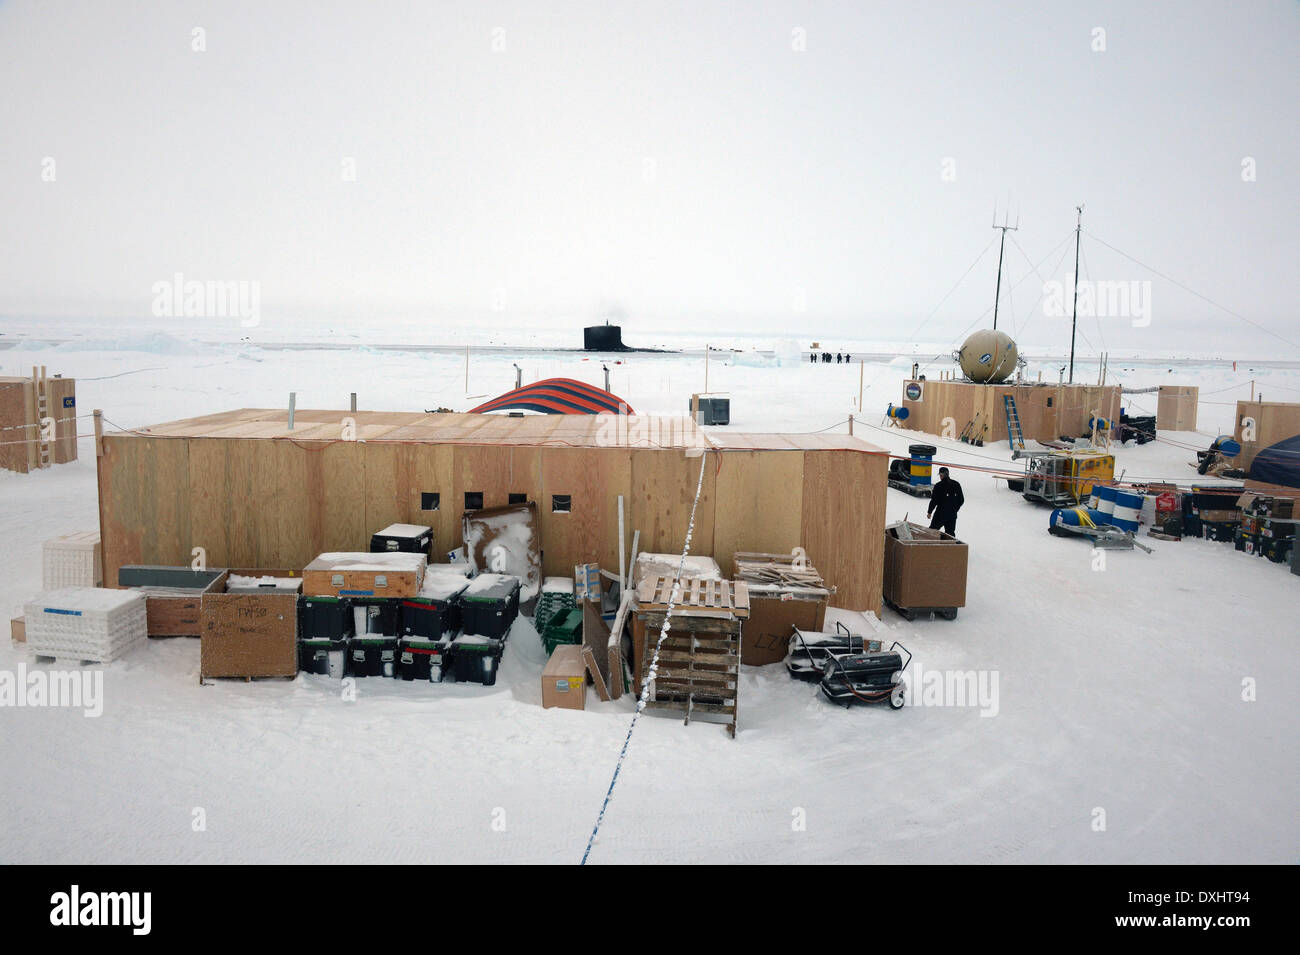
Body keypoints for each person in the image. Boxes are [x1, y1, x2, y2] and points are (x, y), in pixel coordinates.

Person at [927, 466, 964, 536]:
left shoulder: (938, 486)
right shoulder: (956, 484)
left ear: (941, 475)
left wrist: (929, 512)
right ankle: (951, 543)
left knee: (932, 532)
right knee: (950, 534)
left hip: (940, 514)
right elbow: (961, 500)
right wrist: (954, 509)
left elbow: (934, 501)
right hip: (952, 515)